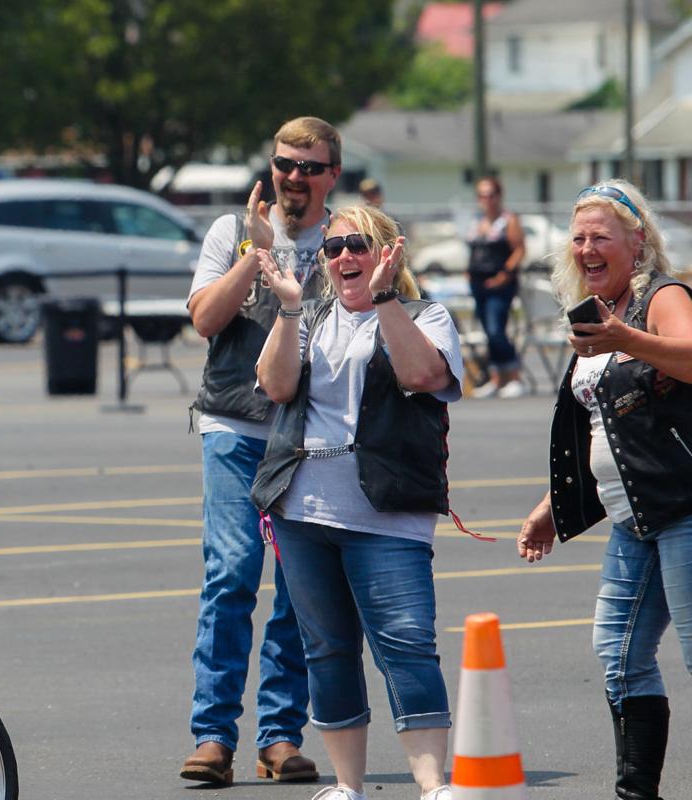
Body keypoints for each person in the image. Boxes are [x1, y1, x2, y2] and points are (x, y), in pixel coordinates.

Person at [251, 205, 463, 800]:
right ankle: (348, 785)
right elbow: (275, 385)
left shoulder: (426, 314)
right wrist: (289, 309)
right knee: (328, 649)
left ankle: (431, 785)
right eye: (335, 245)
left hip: (387, 514)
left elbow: (422, 374)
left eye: (359, 244)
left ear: (388, 252)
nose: (345, 254)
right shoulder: (310, 315)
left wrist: (386, 298)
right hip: (303, 514)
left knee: (407, 643)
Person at [516, 179, 692, 800]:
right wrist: (550, 507)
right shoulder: (599, 318)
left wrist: (628, 340)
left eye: (602, 237)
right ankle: (636, 792)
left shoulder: (661, 298)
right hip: (633, 518)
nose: (587, 249)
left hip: (683, 507)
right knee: (618, 653)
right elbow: (601, 426)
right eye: (579, 238)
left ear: (638, 242)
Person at [181, 116, 341, 787]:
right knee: (232, 573)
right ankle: (213, 735)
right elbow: (203, 319)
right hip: (233, 428)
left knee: (297, 592)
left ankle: (279, 736)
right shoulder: (231, 231)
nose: (294, 178)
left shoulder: (346, 238)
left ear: (333, 173)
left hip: (309, 437)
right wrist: (257, 249)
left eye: (309, 167)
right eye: (284, 164)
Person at [466, 175, 526, 398]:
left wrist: (505, 274)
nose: (487, 199)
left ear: (499, 196)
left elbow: (519, 250)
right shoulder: (477, 221)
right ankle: (496, 378)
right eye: (482, 195)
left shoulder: (508, 220)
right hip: (478, 284)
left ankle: (515, 375)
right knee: (487, 332)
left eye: (491, 195)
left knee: (496, 329)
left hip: (500, 284)